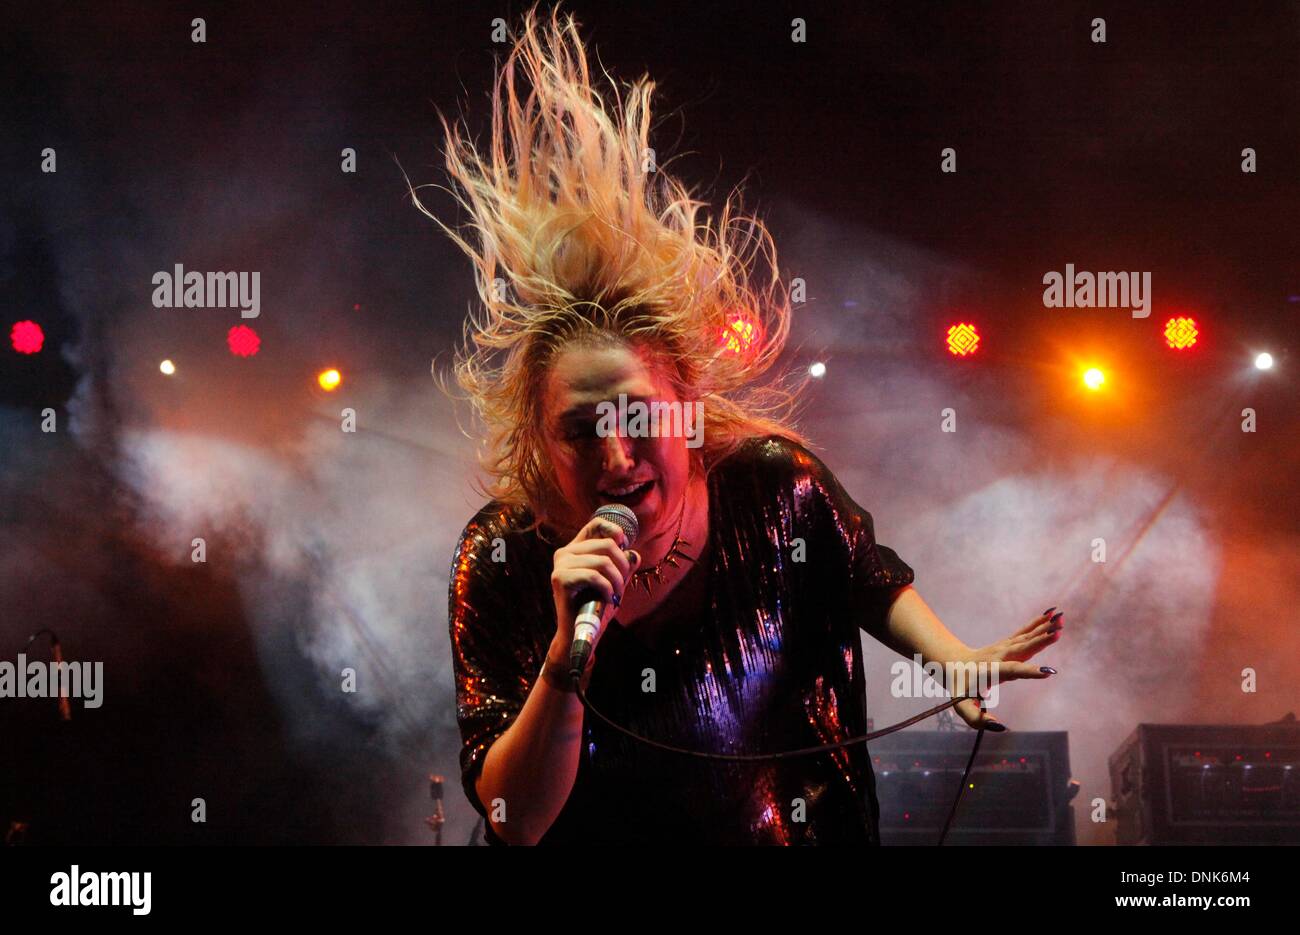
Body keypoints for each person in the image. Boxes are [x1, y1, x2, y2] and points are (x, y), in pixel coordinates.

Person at [421, 5, 1064, 845]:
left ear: (687, 407)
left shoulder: (775, 488)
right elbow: (516, 816)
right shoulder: (501, 555)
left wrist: (952, 658)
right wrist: (565, 659)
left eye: (637, 416)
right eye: (580, 431)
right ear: (542, 443)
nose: (616, 456)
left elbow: (867, 576)